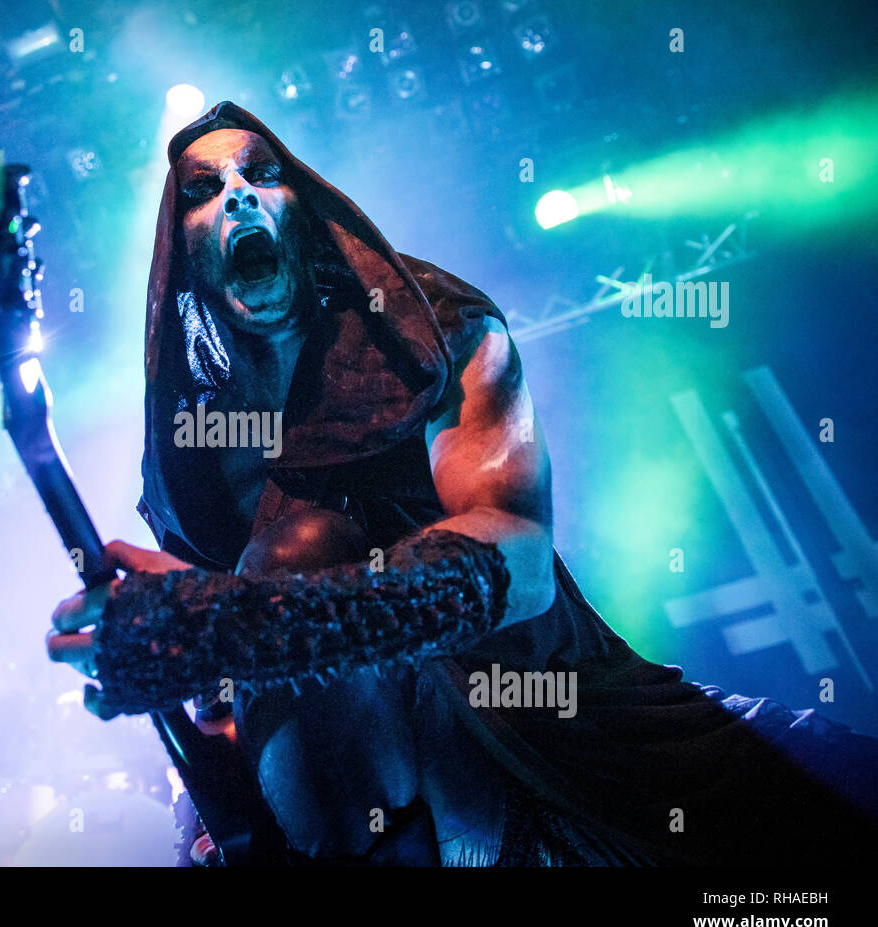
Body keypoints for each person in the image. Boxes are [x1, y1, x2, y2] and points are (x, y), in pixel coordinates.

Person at [48, 101, 878, 865]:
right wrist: (201, 810)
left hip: (552, 710)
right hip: (358, 805)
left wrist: (260, 623)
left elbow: (513, 560)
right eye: (204, 189)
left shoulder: (430, 332)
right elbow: (220, 697)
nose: (237, 196)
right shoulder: (190, 453)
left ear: (304, 210)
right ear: (180, 246)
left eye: (261, 175)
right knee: (291, 554)